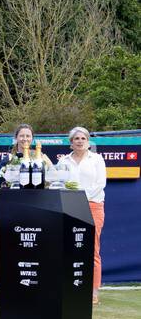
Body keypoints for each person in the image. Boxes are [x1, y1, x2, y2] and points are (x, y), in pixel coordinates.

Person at [63, 126, 107, 305]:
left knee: (92, 250)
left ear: (88, 142)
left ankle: (93, 292)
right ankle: (70, 289)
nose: (80, 141)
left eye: (83, 138)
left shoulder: (97, 159)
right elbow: (59, 182)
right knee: (70, 249)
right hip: (69, 206)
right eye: (76, 139)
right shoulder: (64, 161)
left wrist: (81, 198)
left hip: (93, 206)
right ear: (71, 142)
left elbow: (100, 184)